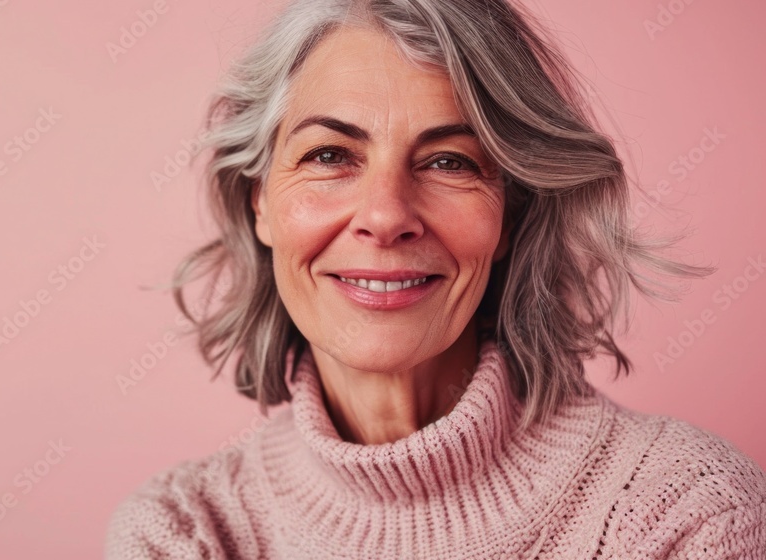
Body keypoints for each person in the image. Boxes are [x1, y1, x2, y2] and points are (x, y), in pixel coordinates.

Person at [106, 0, 766, 557]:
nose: (387, 216)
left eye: (450, 161)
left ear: (510, 212)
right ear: (261, 202)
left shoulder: (681, 511)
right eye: (331, 155)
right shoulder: (184, 533)